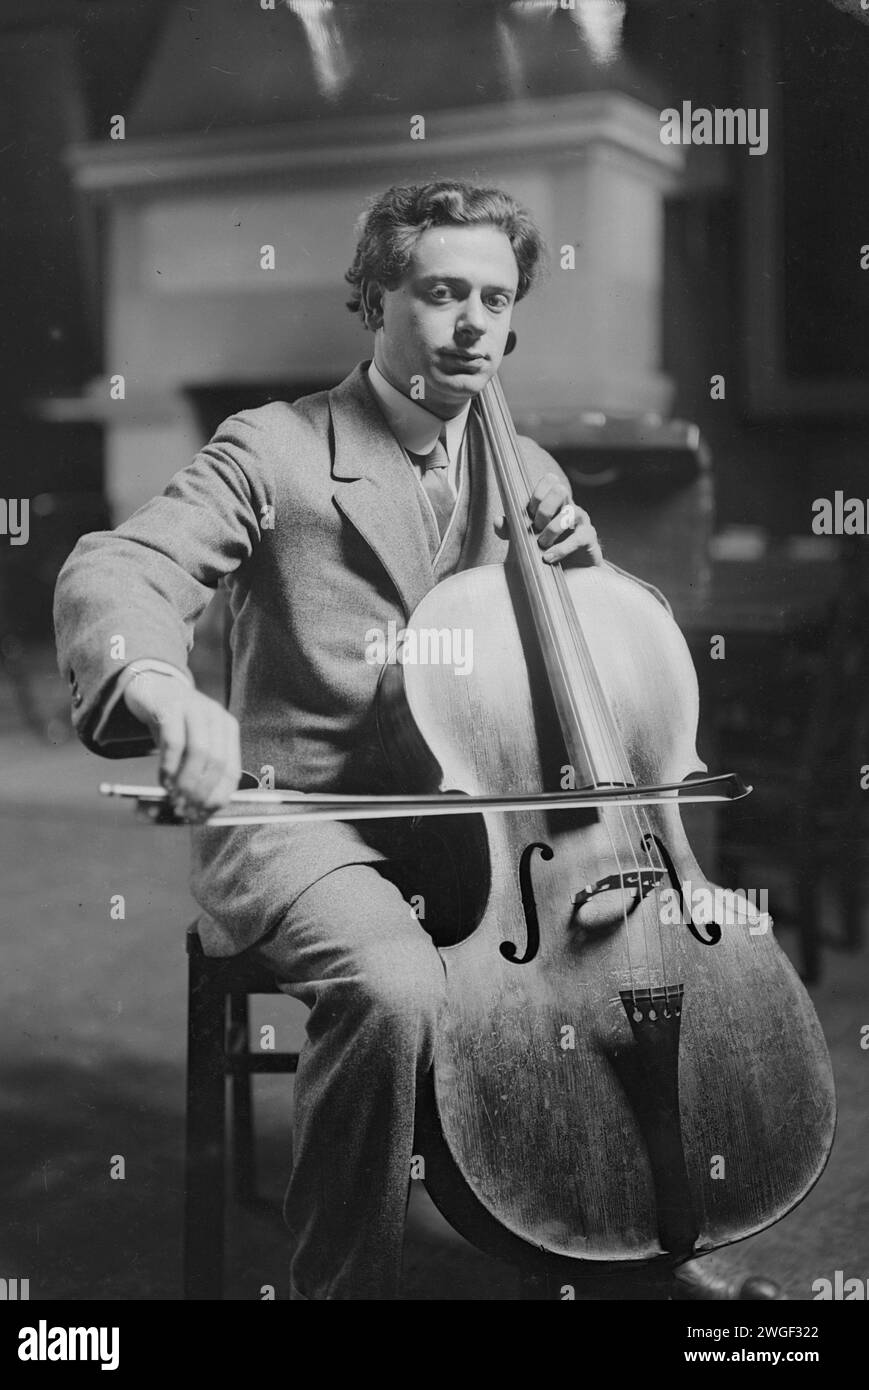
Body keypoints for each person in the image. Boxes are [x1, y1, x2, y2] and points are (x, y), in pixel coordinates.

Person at [54, 180, 778, 1301]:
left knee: (614, 961)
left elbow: (568, 689)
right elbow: (120, 565)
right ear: (374, 300)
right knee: (396, 987)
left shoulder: (526, 472)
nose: (472, 323)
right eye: (441, 292)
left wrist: (582, 582)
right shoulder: (276, 449)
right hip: (305, 822)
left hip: (491, 835)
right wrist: (161, 688)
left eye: (494, 298)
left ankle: (636, 1219)